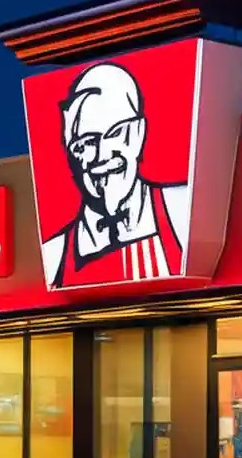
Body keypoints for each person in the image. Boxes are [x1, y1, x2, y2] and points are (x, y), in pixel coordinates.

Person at [39, 62, 191, 289]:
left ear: (139, 133)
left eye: (116, 133)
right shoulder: (54, 256)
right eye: (86, 143)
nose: (102, 155)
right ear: (71, 156)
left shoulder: (183, 211)